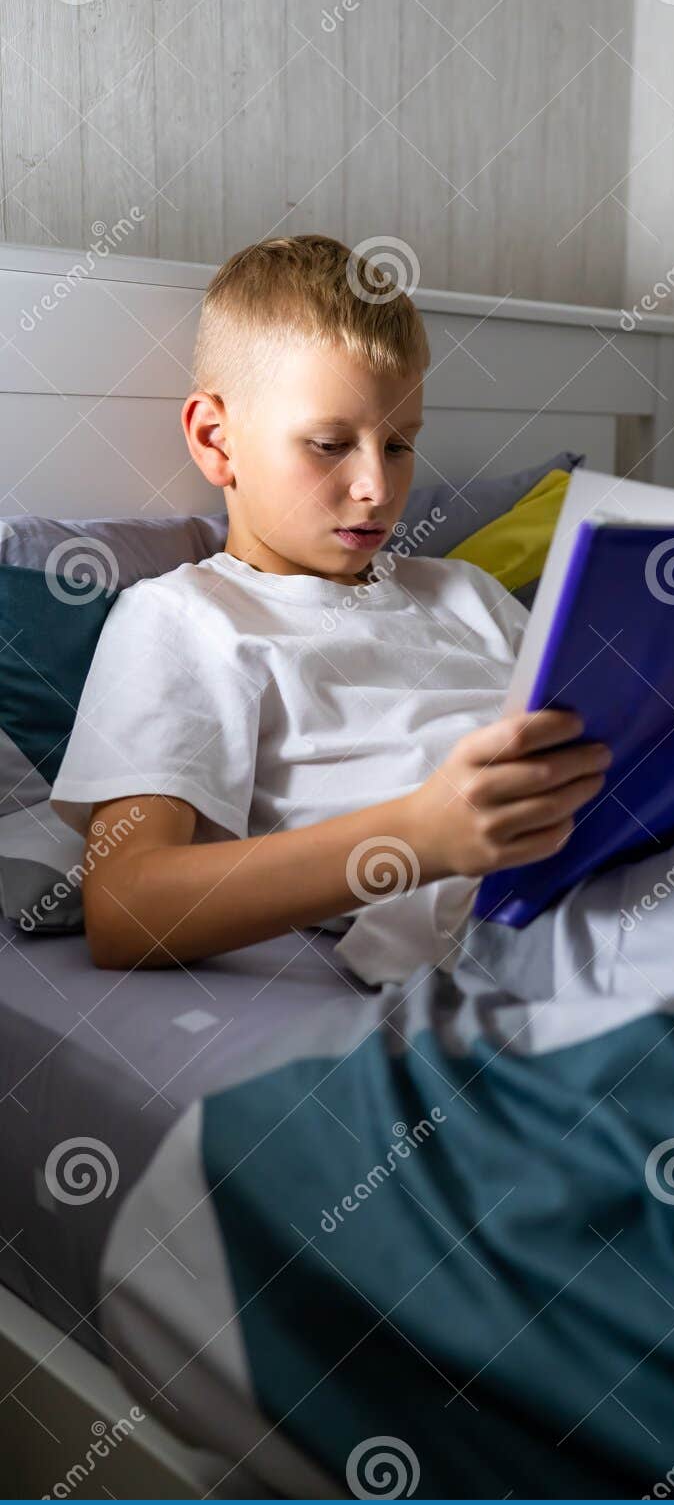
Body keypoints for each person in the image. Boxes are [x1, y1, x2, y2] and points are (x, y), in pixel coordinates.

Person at [50, 235, 609, 982]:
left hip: (636, 848)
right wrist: (418, 837)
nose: (377, 487)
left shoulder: (466, 592)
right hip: (515, 913)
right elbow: (124, 911)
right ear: (216, 440)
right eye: (328, 444)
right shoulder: (184, 618)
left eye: (401, 445)